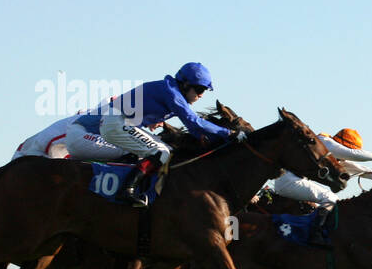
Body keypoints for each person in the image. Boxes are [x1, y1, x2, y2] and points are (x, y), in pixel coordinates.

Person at [64, 62, 240, 205]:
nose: (201, 95)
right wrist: (229, 133)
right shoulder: (172, 93)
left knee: (162, 149)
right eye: (200, 90)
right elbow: (194, 121)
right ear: (185, 84)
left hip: (116, 122)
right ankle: (127, 190)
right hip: (114, 122)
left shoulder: (170, 89)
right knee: (160, 152)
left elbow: (194, 129)